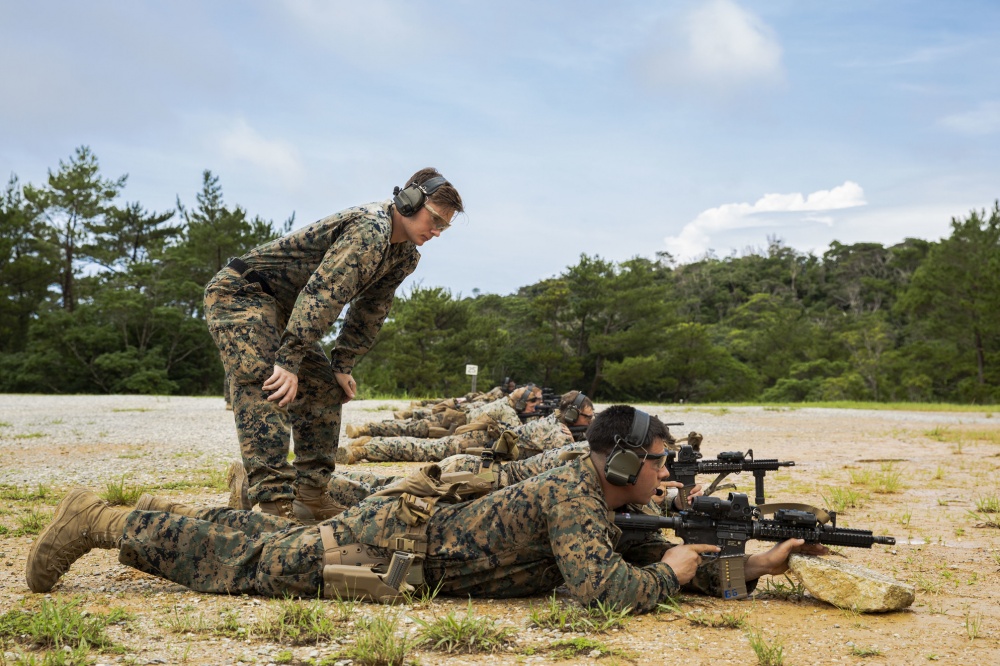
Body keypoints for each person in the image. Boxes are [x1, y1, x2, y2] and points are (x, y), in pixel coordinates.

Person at [26, 406, 824, 611]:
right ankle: (96, 521)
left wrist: (754, 564)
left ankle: (154, 512)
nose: (667, 474)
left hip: (411, 541)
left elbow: (650, 555)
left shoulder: (602, 504)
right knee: (250, 562)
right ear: (620, 463)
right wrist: (676, 571)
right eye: (658, 462)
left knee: (258, 535)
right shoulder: (572, 492)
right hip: (394, 547)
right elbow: (605, 589)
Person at [204, 168, 463, 524]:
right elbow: (325, 292)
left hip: (285, 310)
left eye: (444, 227)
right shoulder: (370, 229)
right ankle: (272, 503)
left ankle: (310, 497)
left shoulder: (405, 256)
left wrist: (342, 365)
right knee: (268, 381)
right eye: (434, 219)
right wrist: (288, 360)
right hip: (243, 293)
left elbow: (371, 310)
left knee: (325, 389)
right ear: (409, 201)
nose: (436, 232)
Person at [338, 387, 584, 463]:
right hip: (465, 436)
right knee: (418, 442)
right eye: (533, 402)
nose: (536, 406)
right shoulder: (507, 410)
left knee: (417, 439)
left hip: (467, 434)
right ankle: (365, 445)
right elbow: (515, 433)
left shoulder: (517, 411)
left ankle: (368, 440)